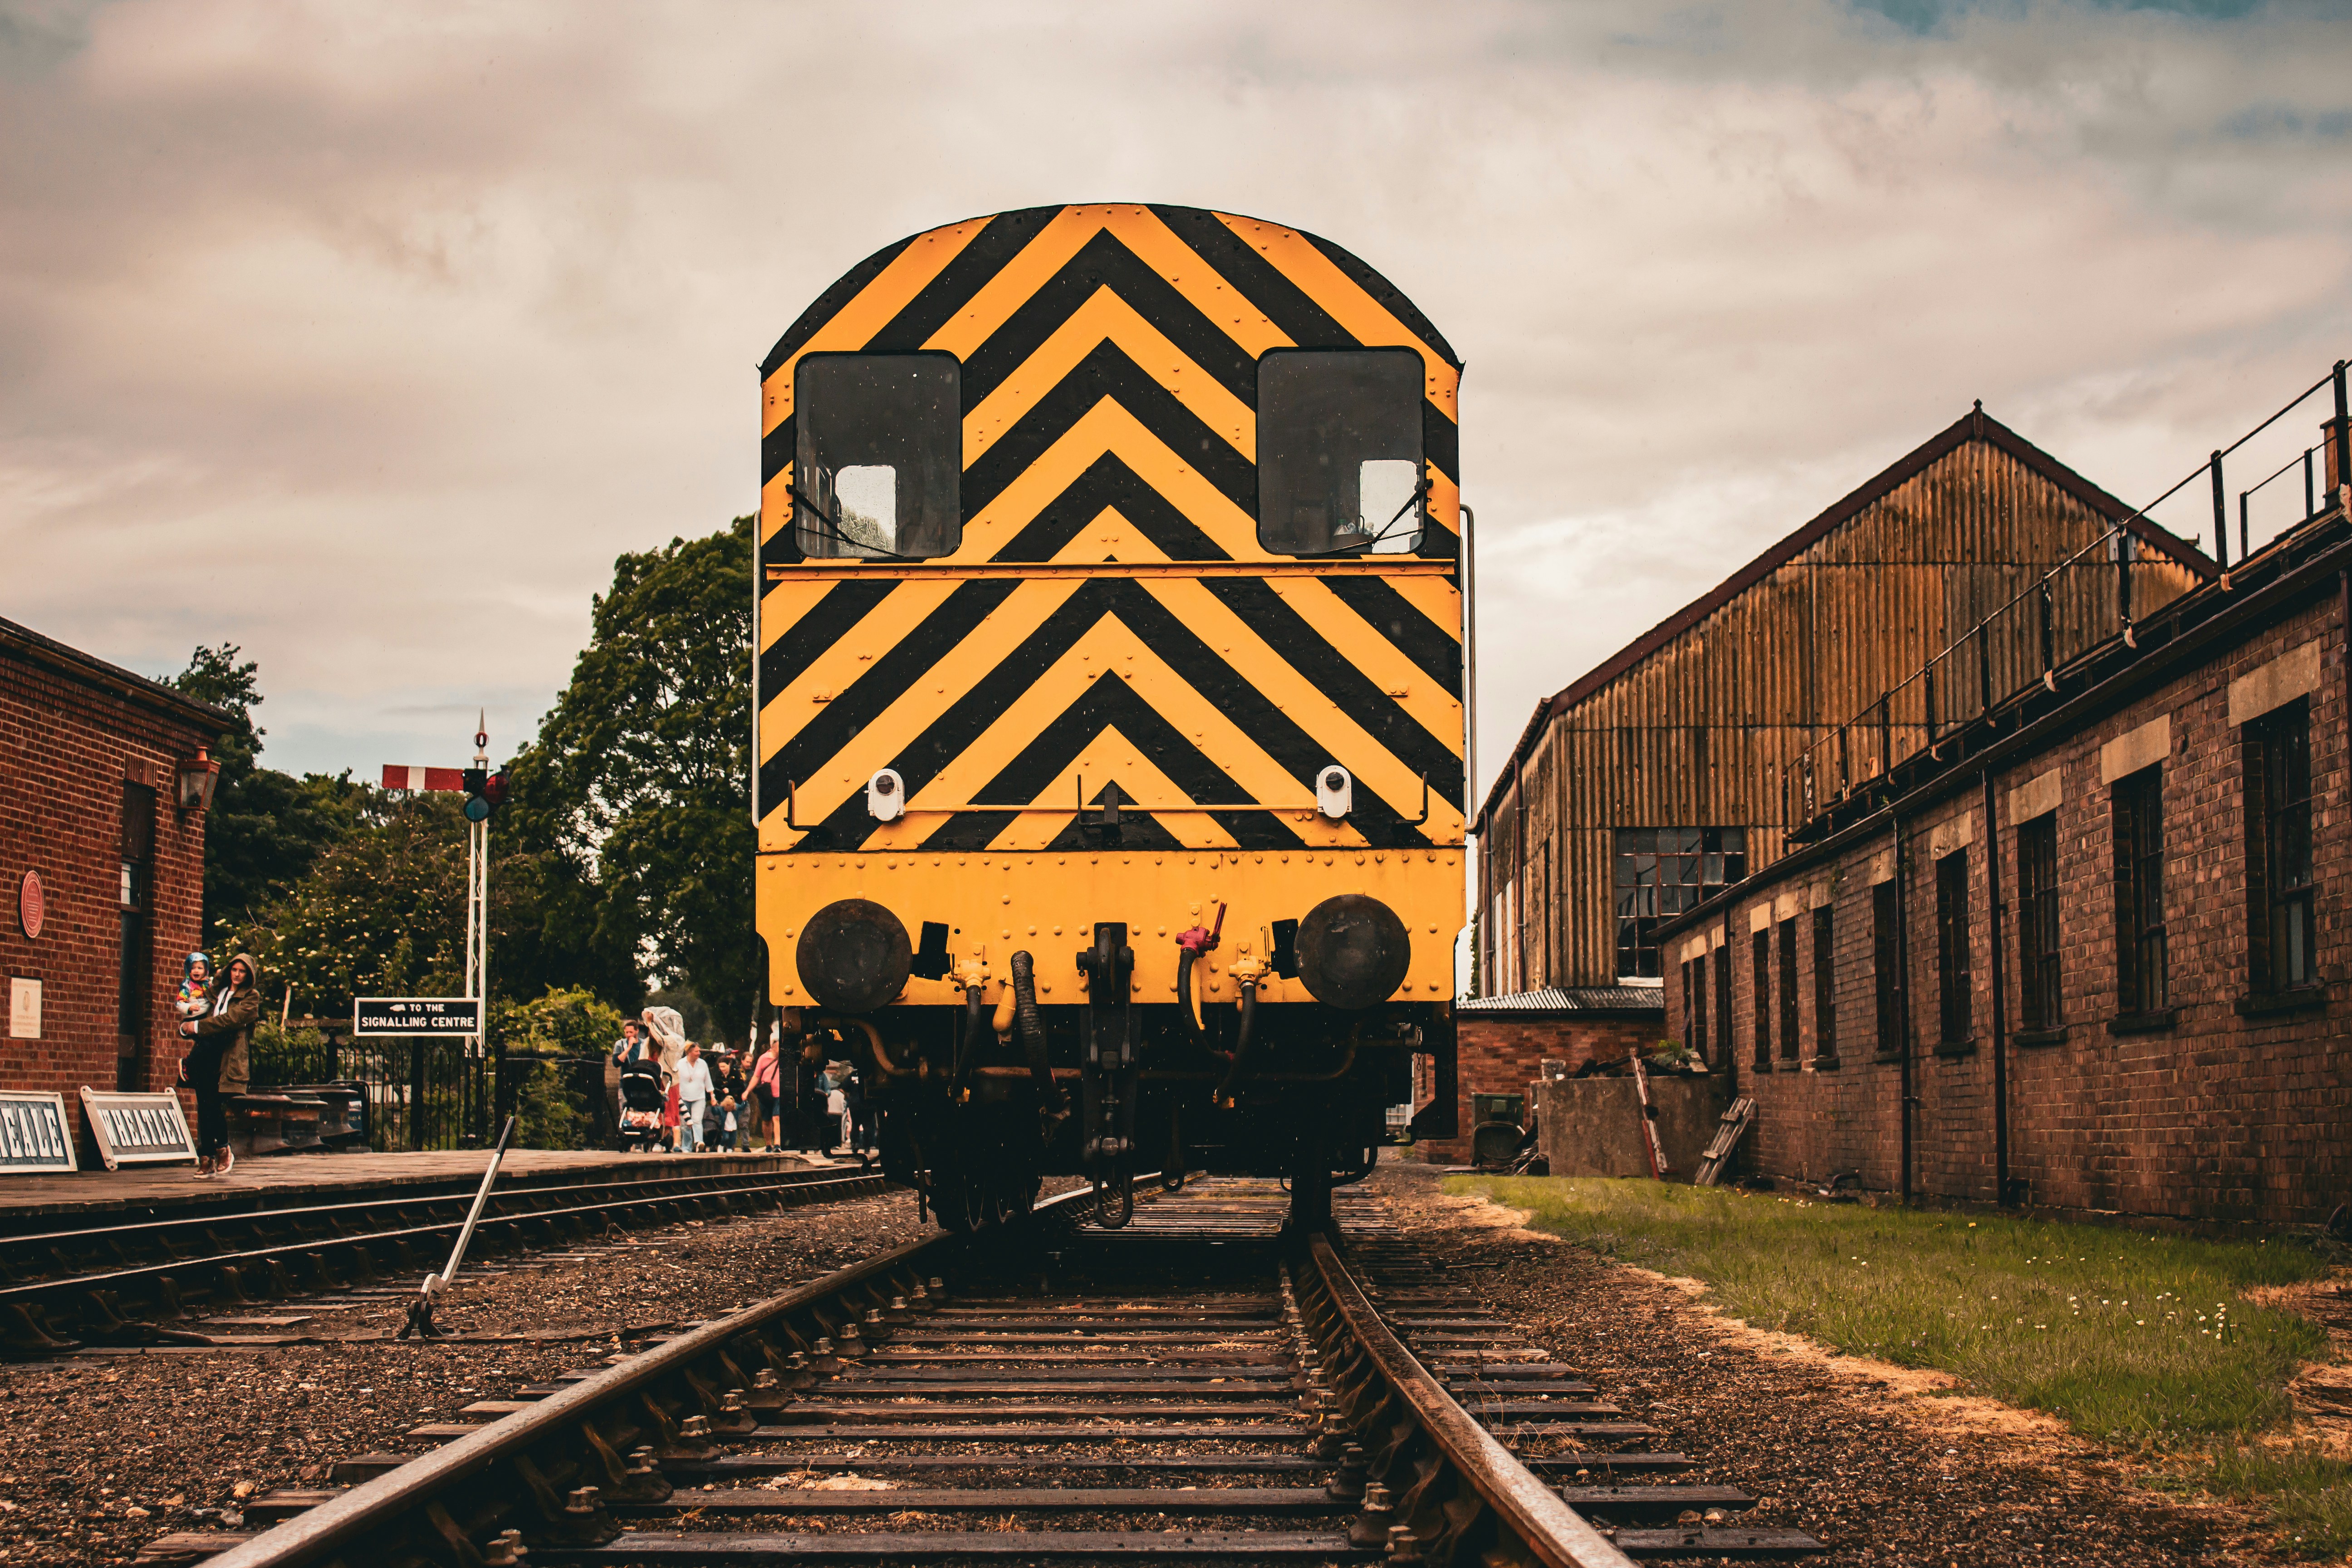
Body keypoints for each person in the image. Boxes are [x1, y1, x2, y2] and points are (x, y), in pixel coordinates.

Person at [177, 955, 260, 1178]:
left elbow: (229, 1021)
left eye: (243, 971)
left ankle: (223, 1150)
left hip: (226, 1056)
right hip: (206, 1050)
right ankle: (206, 1159)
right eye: (235, 970)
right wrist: (187, 1024)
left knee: (212, 1104)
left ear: (249, 975)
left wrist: (196, 1027)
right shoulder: (214, 991)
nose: (237, 975)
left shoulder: (251, 998)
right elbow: (196, 1009)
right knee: (204, 1105)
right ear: (229, 970)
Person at [748, 1034, 784, 1153]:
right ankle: (769, 1144)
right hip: (766, 1094)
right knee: (767, 1120)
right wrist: (747, 1091)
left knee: (777, 1117)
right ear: (773, 1048)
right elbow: (756, 1076)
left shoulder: (785, 1059)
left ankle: (778, 1144)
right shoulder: (764, 1059)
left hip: (779, 1094)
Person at [675, 1041, 711, 1154]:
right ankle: (686, 1147)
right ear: (690, 1052)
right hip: (683, 1097)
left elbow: (708, 1080)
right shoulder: (680, 1063)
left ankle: (699, 1143)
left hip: (699, 1097)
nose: (699, 1053)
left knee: (697, 1121)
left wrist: (712, 1095)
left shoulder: (703, 1064)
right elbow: (676, 1080)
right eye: (697, 1051)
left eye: (699, 1051)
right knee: (686, 1124)